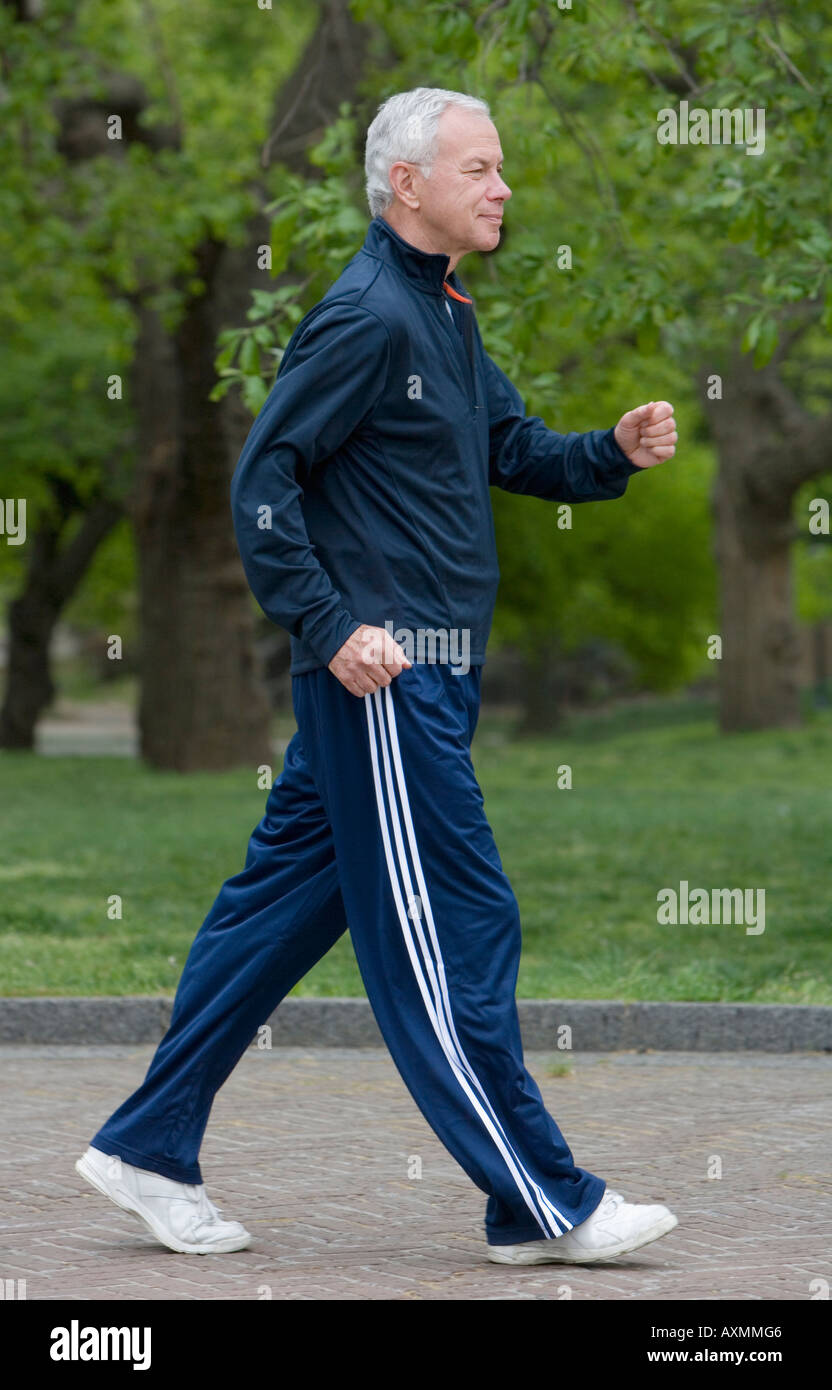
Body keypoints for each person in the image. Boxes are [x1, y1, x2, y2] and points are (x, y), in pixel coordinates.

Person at [76, 86, 679, 1265]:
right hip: (382, 679)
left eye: (501, 168)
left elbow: (507, 448)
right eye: (479, 169)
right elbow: (264, 483)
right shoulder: (363, 316)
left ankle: (145, 1145)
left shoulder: (442, 312)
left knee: (270, 919)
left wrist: (606, 451)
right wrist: (333, 623)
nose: (502, 187)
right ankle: (539, 1199)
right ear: (407, 184)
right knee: (457, 925)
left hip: (419, 680)